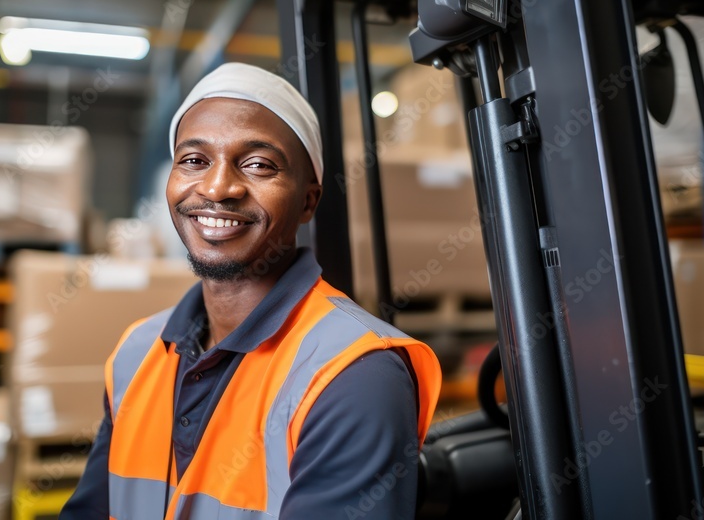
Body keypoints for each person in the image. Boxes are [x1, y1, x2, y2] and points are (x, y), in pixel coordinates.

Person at [60, 62, 441, 519]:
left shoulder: (353, 374)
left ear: (307, 201)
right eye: (194, 161)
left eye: (258, 164)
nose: (218, 188)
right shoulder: (136, 352)